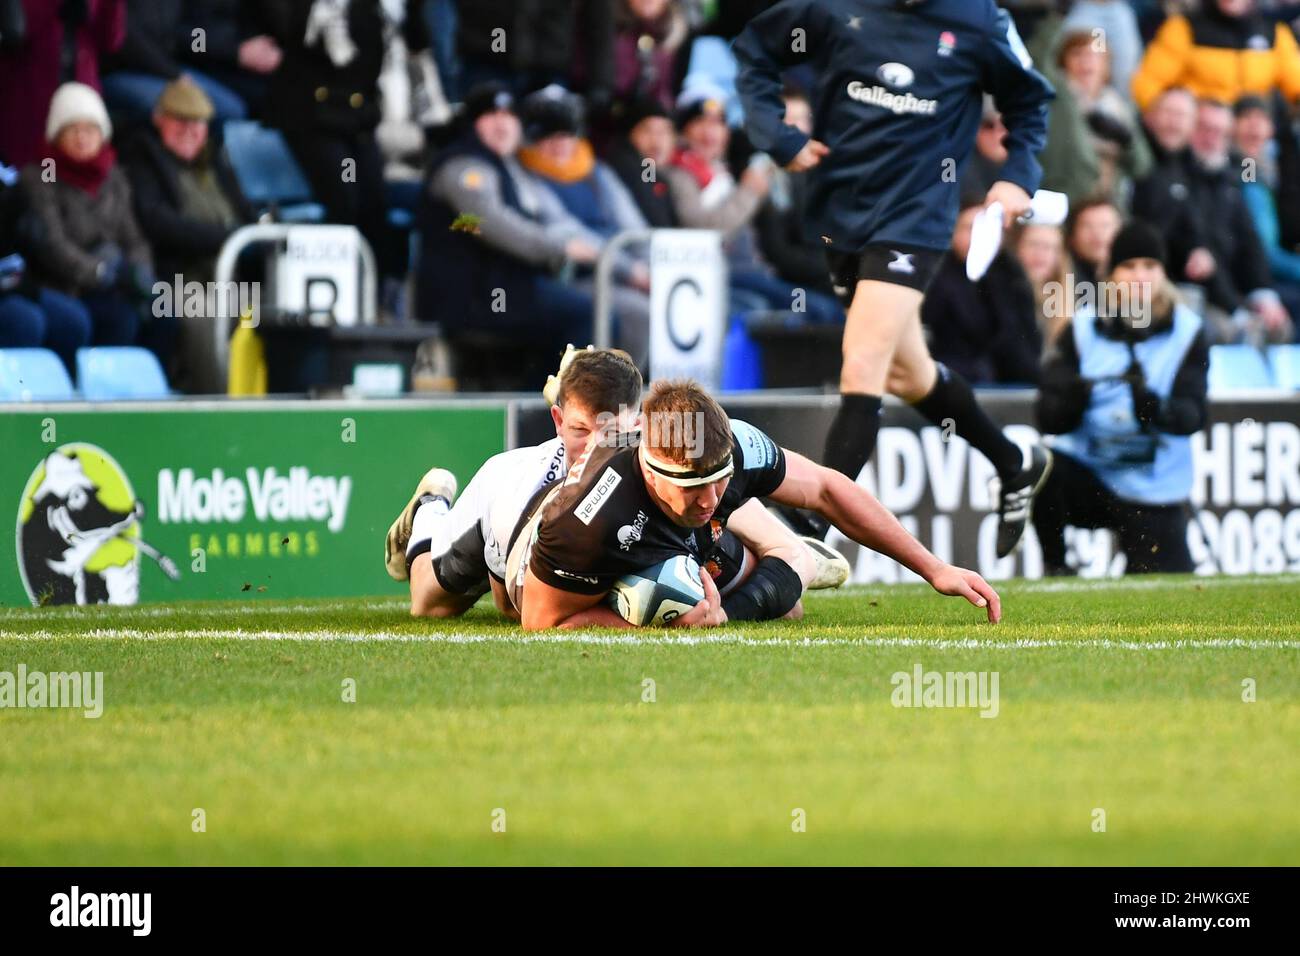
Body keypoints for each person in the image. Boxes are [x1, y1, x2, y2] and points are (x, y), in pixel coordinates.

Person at [733, 0, 1057, 558]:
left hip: (918, 216)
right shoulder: (831, 9)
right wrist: (778, 135)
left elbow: (1030, 100)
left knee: (862, 365)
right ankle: (1015, 462)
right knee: (908, 374)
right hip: (840, 216)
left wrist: (1017, 177)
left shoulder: (979, 20)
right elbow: (755, 48)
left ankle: (807, 532)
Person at [385, 347, 847, 620]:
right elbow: (515, 607)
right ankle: (430, 506)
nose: (597, 448)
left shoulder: (656, 451)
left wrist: (775, 575)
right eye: (582, 432)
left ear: (638, 423)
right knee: (431, 604)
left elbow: (717, 496)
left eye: (614, 434)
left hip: (639, 525)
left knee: (701, 496)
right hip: (500, 535)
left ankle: (792, 546)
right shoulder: (519, 484)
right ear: (558, 422)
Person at [506, 378, 1001, 630]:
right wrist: (641, 628)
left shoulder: (736, 446)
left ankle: (788, 552)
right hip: (522, 551)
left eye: (719, 482)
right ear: (652, 472)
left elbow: (828, 490)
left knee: (789, 600)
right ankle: (431, 521)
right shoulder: (589, 519)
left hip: (678, 542)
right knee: (435, 596)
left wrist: (934, 568)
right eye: (694, 487)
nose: (709, 499)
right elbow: (541, 621)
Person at [1033, 221, 1208, 576]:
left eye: (1149, 266)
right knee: (1042, 471)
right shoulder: (1082, 328)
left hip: (1154, 485)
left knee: (1167, 597)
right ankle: (1055, 566)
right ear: (1110, 274)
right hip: (1094, 475)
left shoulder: (1188, 331)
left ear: (1163, 273)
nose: (1139, 276)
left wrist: (1155, 409)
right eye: (1128, 266)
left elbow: (1194, 415)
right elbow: (1047, 416)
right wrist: (1074, 399)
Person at [414, 83, 601, 386]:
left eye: (509, 115)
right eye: (490, 114)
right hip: (469, 297)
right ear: (472, 123)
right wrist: (559, 247)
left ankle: (540, 400)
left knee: (588, 309)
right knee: (587, 315)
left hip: (501, 287)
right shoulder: (463, 165)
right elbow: (487, 222)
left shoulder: (505, 165)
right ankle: (544, 411)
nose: (502, 123)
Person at [19, 82, 175, 366]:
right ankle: (103, 394)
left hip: (115, 279)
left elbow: (134, 238)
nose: (82, 138)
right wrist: (101, 274)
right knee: (120, 317)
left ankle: (153, 393)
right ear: (57, 134)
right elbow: (52, 245)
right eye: (73, 130)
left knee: (164, 309)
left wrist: (139, 272)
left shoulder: (113, 176)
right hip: (65, 285)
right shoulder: (41, 176)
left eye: (89, 129)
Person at [663, 87, 840, 325]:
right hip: (722, 273)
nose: (709, 133)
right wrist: (749, 192)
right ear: (683, 132)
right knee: (808, 311)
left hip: (754, 272)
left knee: (826, 307)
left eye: (717, 124)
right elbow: (702, 231)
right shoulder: (680, 173)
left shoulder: (723, 169)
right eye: (699, 123)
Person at [122, 76, 251, 392]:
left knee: (272, 315)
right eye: (180, 121)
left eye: (198, 123)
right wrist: (226, 238)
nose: (191, 131)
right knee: (204, 319)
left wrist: (244, 237)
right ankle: (219, 409)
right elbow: (159, 224)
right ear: (159, 119)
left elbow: (245, 216)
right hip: (176, 279)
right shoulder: (144, 157)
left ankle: (275, 408)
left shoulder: (215, 161)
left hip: (231, 277)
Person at [1186, 97, 1292, 343]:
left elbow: (1251, 240)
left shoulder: (1245, 172)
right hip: (1215, 294)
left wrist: (1264, 294)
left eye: (1262, 120)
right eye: (1248, 119)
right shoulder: (1243, 172)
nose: (1254, 127)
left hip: (1244, 284)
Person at [920, 196, 1042, 386]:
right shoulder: (932, 277)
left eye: (987, 229)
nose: (979, 237)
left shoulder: (1012, 277)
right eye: (970, 228)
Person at [0, 0, 126, 170]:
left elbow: (112, 40)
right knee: (43, 172)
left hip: (81, 89)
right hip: (32, 91)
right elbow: (15, 31)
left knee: (84, 170)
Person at [0, 161, 92, 373]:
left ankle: (57, 397)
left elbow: (27, 241)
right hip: (8, 291)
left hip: (15, 284)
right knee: (25, 321)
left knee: (72, 321)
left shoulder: (9, 177)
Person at [1131, 0, 1300, 112]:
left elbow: (1296, 82)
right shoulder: (1184, 28)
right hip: (1201, 134)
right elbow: (1147, 86)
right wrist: (1173, 115)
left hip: (1254, 137)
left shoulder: (1274, 33)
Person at [100, 0, 249, 124]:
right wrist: (174, 74)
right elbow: (128, 40)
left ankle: (203, 157)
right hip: (123, 71)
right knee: (181, 110)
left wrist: (230, 50)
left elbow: (194, 31)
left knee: (232, 109)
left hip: (172, 69)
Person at [1066, 196, 1123, 288]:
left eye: (1105, 226)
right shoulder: (1061, 281)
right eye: (1087, 226)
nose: (1097, 233)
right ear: (1072, 236)